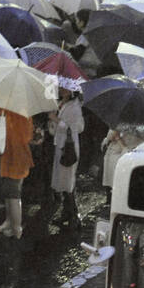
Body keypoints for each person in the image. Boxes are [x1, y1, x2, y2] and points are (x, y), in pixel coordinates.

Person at [0, 107, 34, 239]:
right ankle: (9, 222)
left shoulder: (16, 112)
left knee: (13, 194)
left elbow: (22, 135)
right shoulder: (20, 111)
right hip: (13, 156)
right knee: (9, 192)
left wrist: (2, 129)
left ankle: (16, 229)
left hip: (15, 157)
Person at [50, 89, 85, 230]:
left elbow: (74, 128)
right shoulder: (64, 104)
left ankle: (74, 217)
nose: (61, 90)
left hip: (68, 147)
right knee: (64, 182)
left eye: (65, 88)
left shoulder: (75, 107)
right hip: (61, 145)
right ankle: (67, 214)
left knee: (67, 182)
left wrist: (55, 118)